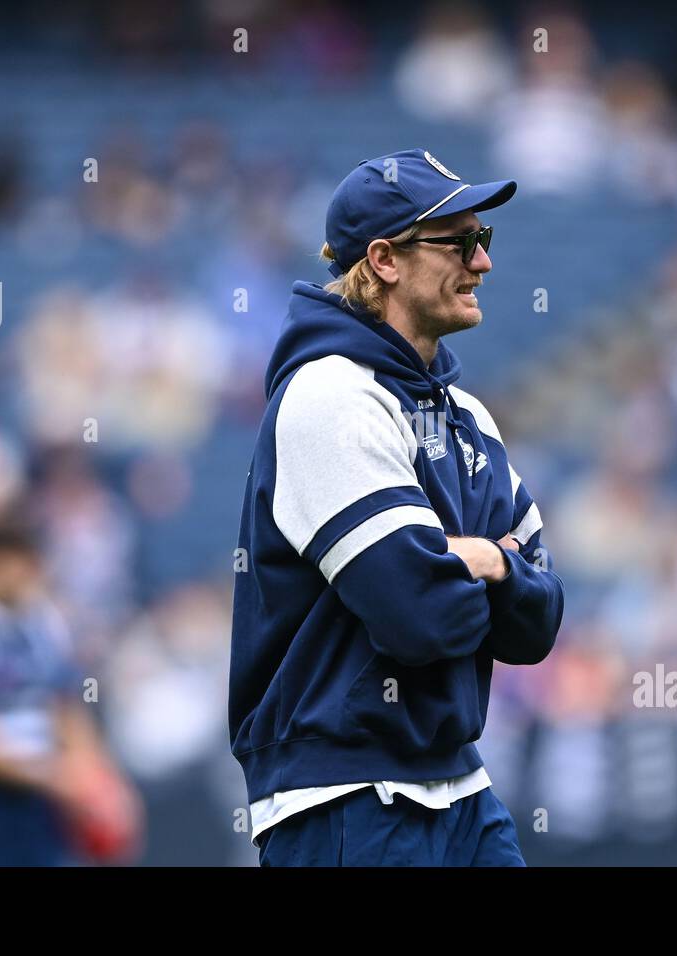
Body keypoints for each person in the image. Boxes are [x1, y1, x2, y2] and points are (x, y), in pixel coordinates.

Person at [229, 148, 564, 866]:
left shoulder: (468, 414)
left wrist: (486, 568)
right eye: (461, 243)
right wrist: (485, 565)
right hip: (345, 795)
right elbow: (421, 617)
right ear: (384, 260)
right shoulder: (330, 395)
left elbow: (538, 625)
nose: (483, 264)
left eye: (485, 240)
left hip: (460, 786)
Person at [0, 516, 140, 866]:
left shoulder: (45, 629)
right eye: (5, 560)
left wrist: (100, 781)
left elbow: (68, 712)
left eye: (23, 558)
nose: (17, 571)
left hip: (39, 811)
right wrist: (56, 777)